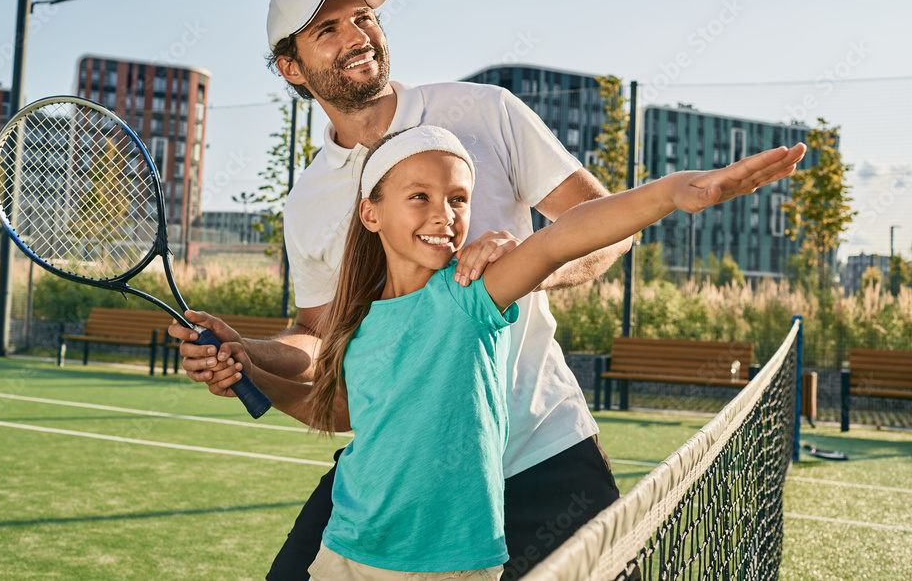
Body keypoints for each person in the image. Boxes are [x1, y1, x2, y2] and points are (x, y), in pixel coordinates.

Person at [198, 125, 805, 580]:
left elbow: (564, 236)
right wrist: (252, 373)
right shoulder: (354, 319)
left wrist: (674, 191)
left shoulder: (472, 296)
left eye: (459, 199)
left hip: (458, 563)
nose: (445, 214)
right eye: (420, 196)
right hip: (345, 550)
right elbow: (342, 415)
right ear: (371, 212)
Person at [175, 0, 625, 579]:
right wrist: (247, 351)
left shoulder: (485, 109)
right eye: (327, 29)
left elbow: (608, 226)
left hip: (542, 451)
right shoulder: (307, 200)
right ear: (292, 68)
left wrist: (514, 276)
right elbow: (322, 340)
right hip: (397, 472)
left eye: (364, 18)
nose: (357, 35)